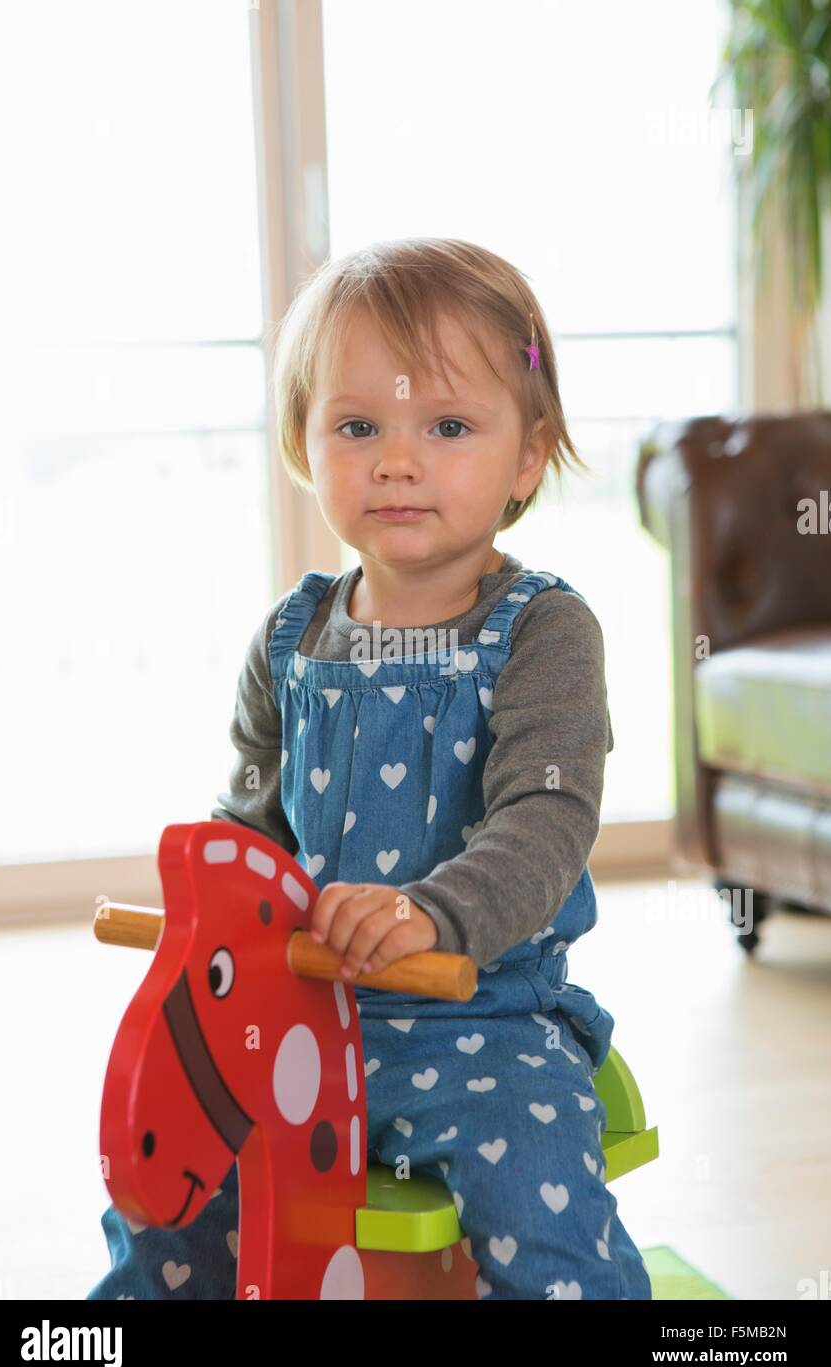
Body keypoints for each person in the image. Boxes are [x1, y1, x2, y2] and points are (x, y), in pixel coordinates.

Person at [87, 237, 652, 1300]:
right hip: (300, 1015)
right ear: (305, 448)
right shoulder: (291, 636)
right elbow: (252, 825)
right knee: (168, 1167)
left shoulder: (543, 632)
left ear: (526, 457)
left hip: (477, 1017)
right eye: (357, 426)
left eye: (446, 426)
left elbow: (543, 823)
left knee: (536, 1186)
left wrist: (429, 913)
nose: (397, 459)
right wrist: (214, 924)